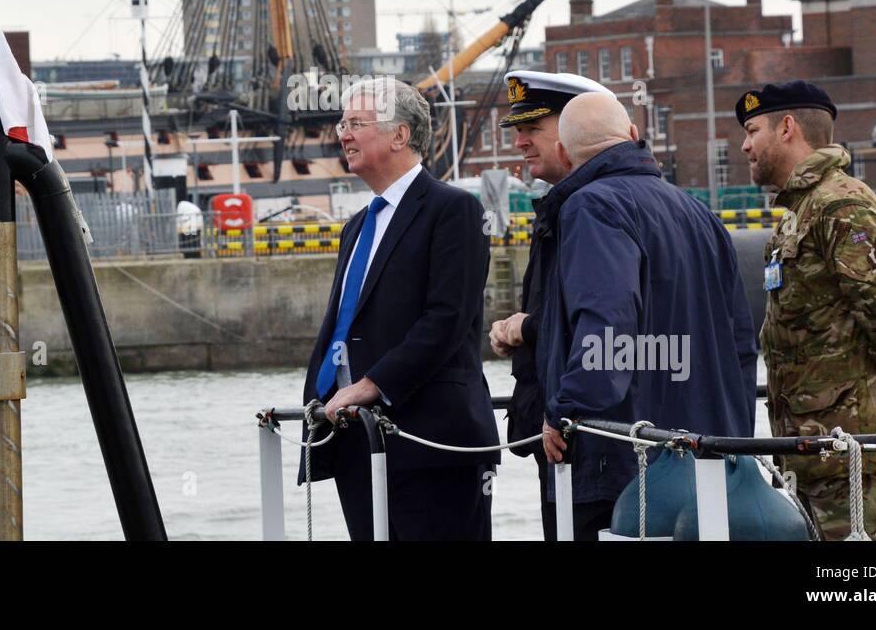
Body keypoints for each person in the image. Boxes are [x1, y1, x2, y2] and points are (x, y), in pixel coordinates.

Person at [539, 92, 757, 541]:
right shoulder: (701, 213)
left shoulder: (591, 206)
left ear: (563, 153)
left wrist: (565, 411)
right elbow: (741, 342)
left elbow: (608, 332)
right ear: (635, 136)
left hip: (625, 465)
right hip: (710, 463)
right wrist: (732, 439)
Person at [298, 76, 498, 540]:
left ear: (400, 135)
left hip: (430, 444)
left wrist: (372, 385)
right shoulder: (355, 228)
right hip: (354, 440)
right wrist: (320, 400)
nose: (342, 134)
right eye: (341, 123)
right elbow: (345, 324)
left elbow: (446, 319)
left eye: (355, 123)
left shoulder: (455, 211)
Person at [737, 80, 876, 540]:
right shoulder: (801, 211)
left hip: (846, 451)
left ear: (787, 128)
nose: (745, 145)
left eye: (752, 129)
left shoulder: (839, 204)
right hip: (813, 449)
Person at [487, 69, 614, 541]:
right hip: (559, 438)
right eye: (517, 130)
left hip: (588, 441)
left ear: (575, 129)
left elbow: (606, 321)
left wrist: (528, 329)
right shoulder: (559, 209)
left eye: (531, 129)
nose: (520, 142)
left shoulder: (592, 210)